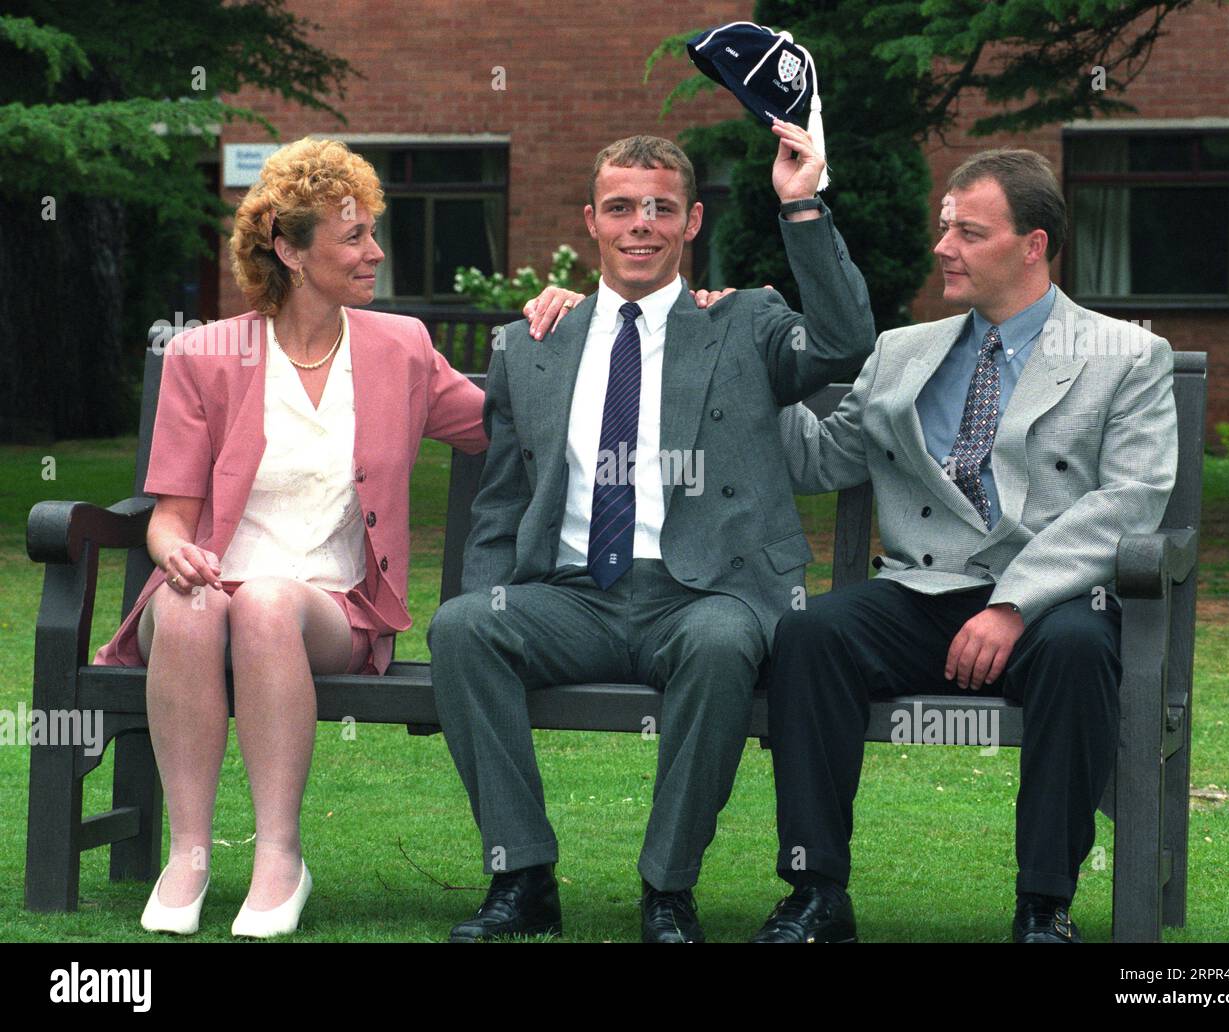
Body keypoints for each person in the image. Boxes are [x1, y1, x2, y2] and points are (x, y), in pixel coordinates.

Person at [427, 125, 873, 942]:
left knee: (718, 644)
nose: (641, 224)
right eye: (622, 207)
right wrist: (488, 589)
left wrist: (801, 201)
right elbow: (501, 501)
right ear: (590, 221)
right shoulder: (535, 343)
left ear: (692, 222)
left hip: (704, 594)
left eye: (661, 208)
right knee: (463, 627)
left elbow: (845, 343)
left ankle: (668, 889)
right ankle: (523, 879)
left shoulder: (745, 323)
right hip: (570, 597)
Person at [749, 148, 1178, 943]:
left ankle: (1043, 906)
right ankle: (816, 894)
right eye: (945, 227)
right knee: (810, 634)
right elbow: (817, 460)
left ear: (1033, 244)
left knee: (1082, 648)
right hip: (923, 593)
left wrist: (1014, 602)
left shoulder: (1127, 356)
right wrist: (754, 367)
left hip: (1049, 603)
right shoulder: (902, 352)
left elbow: (1130, 501)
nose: (943, 246)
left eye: (969, 232)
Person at [92, 138, 488, 938]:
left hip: (331, 609)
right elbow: (169, 515)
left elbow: (502, 423)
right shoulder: (205, 354)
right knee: (201, 602)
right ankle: (189, 853)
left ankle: (280, 855)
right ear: (288, 249)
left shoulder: (399, 348)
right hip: (207, 600)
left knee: (266, 602)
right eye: (353, 236)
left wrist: (578, 321)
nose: (374, 251)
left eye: (373, 232)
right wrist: (176, 552)